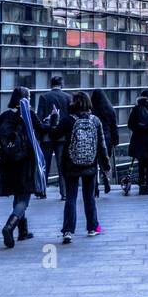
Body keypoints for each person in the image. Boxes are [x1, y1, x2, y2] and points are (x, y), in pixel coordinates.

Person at [0, 87, 46, 248]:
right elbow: (44, 130)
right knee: (24, 198)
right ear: (25, 99)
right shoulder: (29, 115)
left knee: (17, 195)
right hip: (25, 162)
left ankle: (23, 232)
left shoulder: (5, 116)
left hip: (7, 162)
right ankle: (9, 226)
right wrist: (53, 119)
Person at [49, 92, 111, 244]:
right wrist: (105, 164)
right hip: (90, 165)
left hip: (71, 164)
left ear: (74, 103)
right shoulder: (95, 121)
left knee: (71, 197)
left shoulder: (68, 120)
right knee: (89, 197)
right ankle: (93, 228)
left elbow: (54, 135)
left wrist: (54, 119)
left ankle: (68, 231)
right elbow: (101, 145)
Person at [36, 75, 72, 199]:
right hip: (62, 137)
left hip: (47, 137)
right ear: (61, 84)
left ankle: (42, 191)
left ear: (51, 84)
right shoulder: (68, 97)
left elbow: (39, 118)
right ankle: (64, 193)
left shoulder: (44, 97)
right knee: (62, 165)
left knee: (44, 164)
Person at [127, 90, 148, 195]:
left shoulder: (136, 109)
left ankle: (141, 186)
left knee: (141, 163)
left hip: (138, 140)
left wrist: (138, 129)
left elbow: (130, 124)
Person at [90, 89, 119, 196]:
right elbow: (114, 127)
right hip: (107, 138)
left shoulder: (91, 109)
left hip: (94, 137)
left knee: (93, 163)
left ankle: (95, 186)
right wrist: (115, 141)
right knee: (105, 161)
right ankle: (106, 177)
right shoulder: (109, 109)